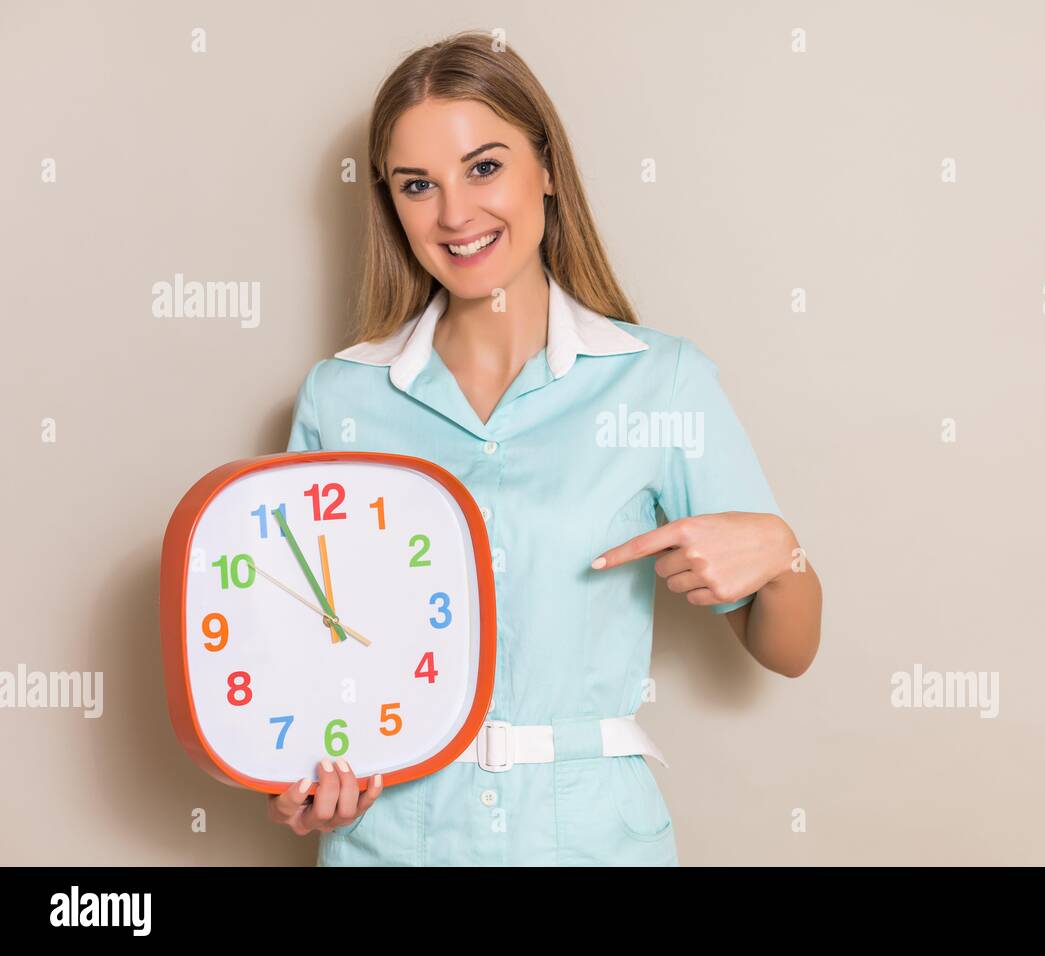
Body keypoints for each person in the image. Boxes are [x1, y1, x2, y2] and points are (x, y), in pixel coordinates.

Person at [266, 30, 822, 865]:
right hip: (392, 843)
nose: (455, 214)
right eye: (418, 184)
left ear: (548, 169)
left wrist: (784, 553)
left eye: (484, 167)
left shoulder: (660, 382)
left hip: (593, 840)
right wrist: (306, 784)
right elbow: (310, 660)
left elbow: (789, 651)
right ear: (391, 204)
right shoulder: (340, 400)